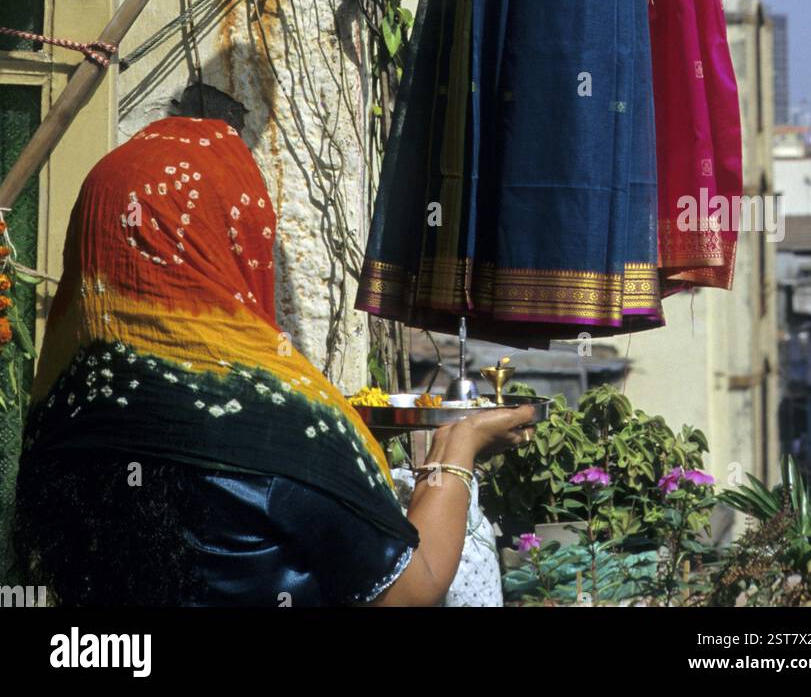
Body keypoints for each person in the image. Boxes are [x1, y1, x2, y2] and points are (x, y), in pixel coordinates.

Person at [14, 117, 535, 606]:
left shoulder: (62, 409)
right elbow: (408, 588)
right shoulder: (283, 428)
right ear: (232, 242)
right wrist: (457, 448)